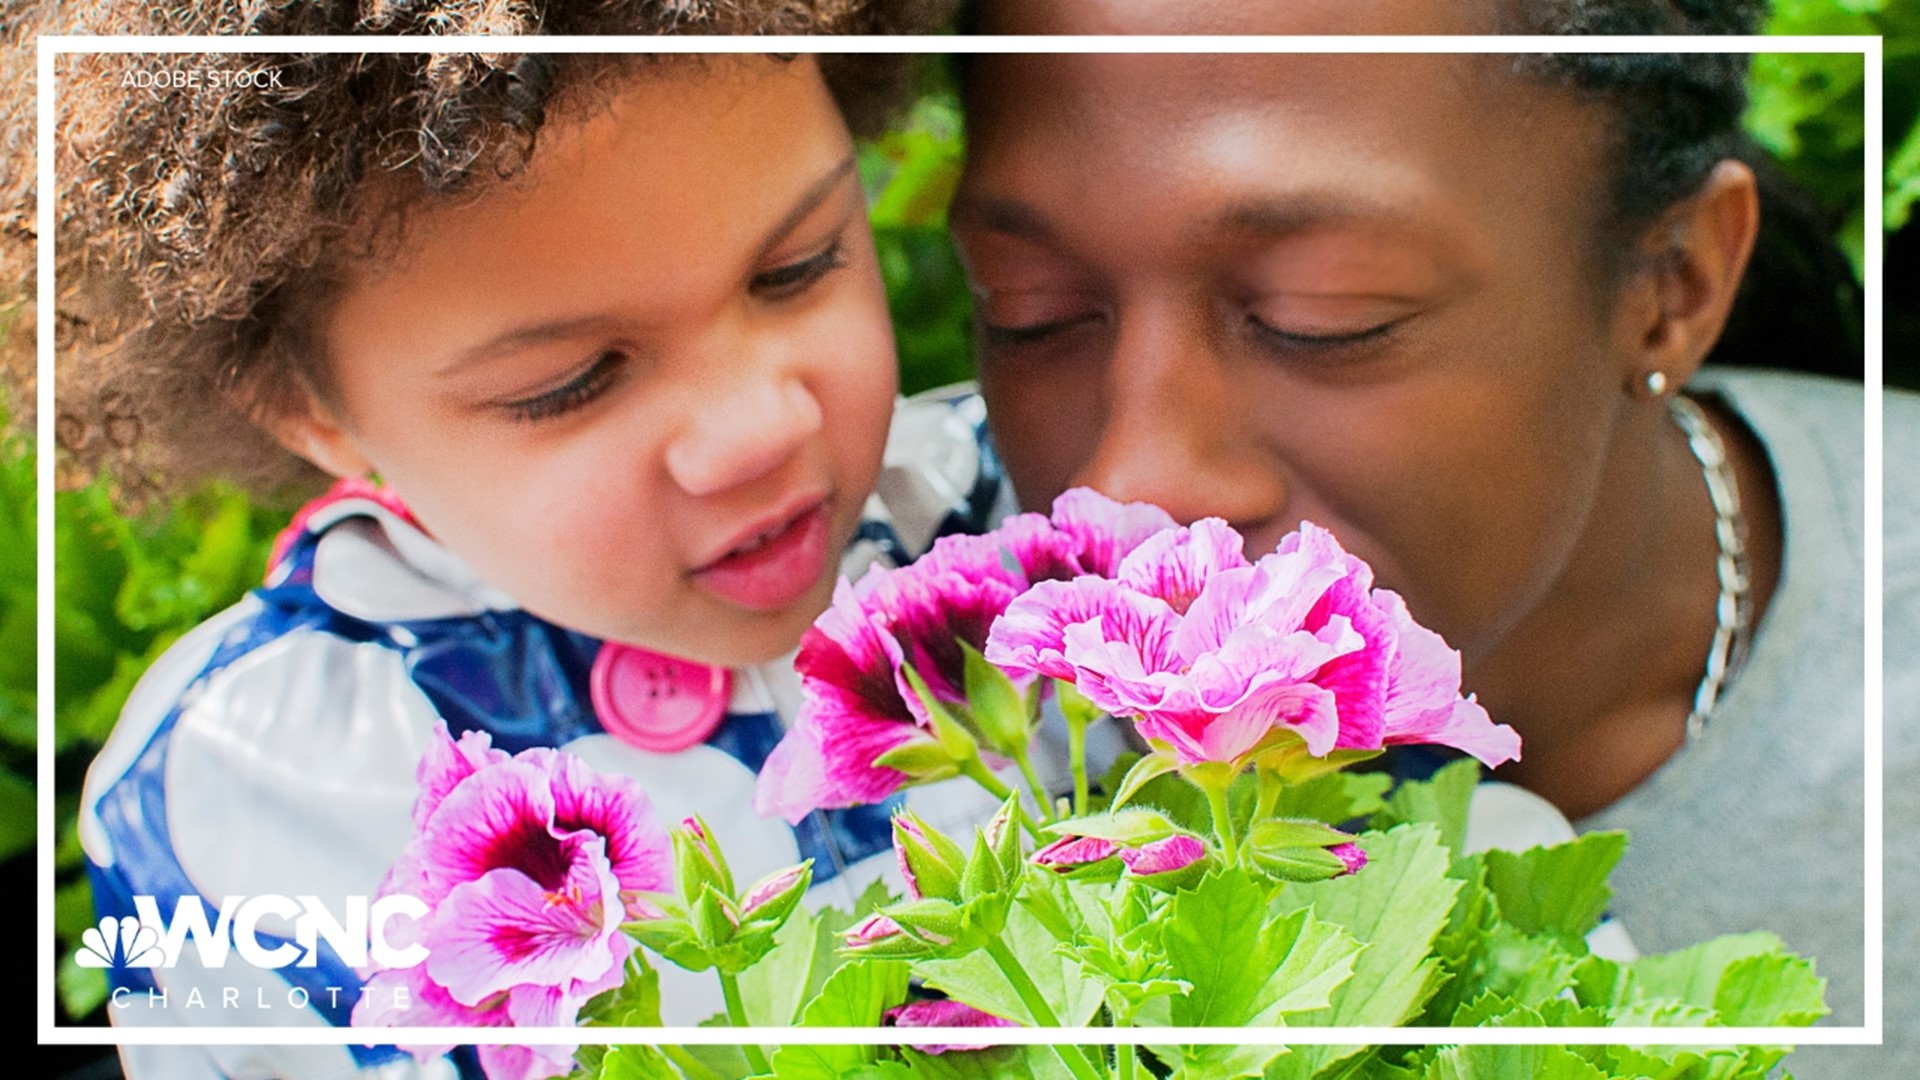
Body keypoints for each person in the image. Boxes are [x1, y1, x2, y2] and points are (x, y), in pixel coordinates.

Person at [950, 2, 1918, 1076]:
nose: (1126, 481)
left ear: (1671, 286)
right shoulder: (865, 571)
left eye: (1323, 317)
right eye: (1025, 308)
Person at [60, 4, 1017, 1077]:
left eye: (797, 267)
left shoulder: (1023, 528)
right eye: (572, 384)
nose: (761, 429)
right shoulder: (242, 788)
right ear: (308, 408)